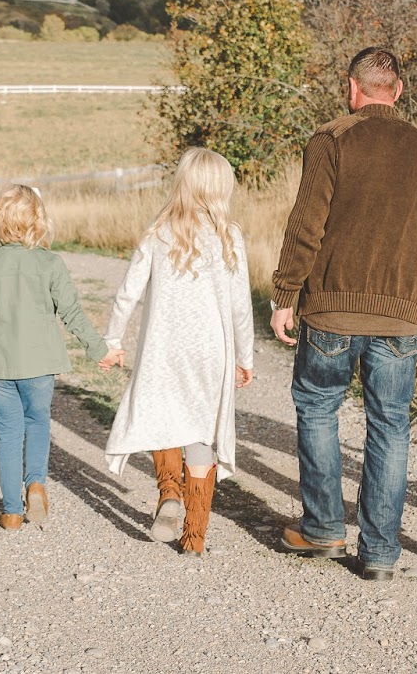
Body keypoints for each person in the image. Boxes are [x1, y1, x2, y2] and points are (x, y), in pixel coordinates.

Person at [270, 47, 417, 581]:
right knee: (391, 427)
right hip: (403, 317)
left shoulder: (331, 140)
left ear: (352, 88)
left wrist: (285, 295)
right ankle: (380, 554)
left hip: (332, 311)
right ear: (398, 91)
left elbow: (306, 225)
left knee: (318, 409)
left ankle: (323, 529)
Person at [99, 148, 254, 555]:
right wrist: (245, 357)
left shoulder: (159, 229)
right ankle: (195, 537)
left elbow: (127, 293)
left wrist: (113, 341)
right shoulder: (229, 236)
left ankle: (170, 492)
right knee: (201, 435)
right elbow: (241, 307)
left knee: (162, 419)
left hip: (162, 349)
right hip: (211, 354)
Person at [0, 185, 111, 530]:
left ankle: (11, 511)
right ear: (38, 221)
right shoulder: (51, 264)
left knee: (8, 432)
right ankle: (36, 483)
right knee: (38, 422)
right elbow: (73, 313)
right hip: (40, 363)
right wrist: (99, 350)